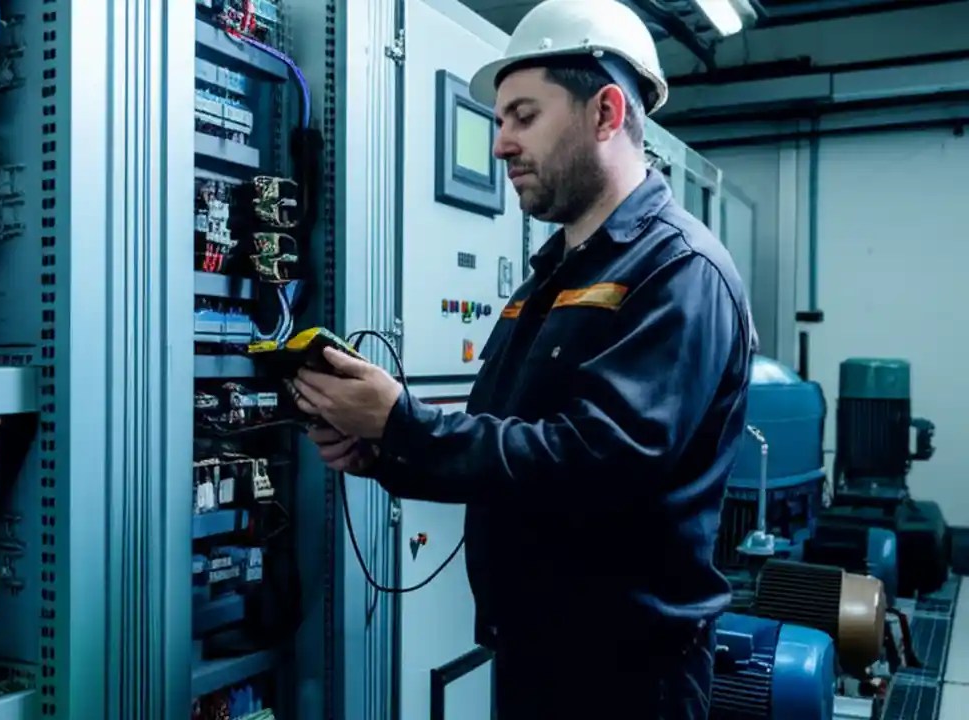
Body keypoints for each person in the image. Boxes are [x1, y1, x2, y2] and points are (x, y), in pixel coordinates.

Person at [290, 0, 754, 716]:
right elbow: (509, 448)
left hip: (627, 679)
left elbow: (598, 464)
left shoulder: (679, 272)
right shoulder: (554, 274)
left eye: (524, 117)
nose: (501, 143)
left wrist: (403, 424)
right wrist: (379, 450)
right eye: (499, 120)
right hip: (540, 654)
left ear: (605, 114)